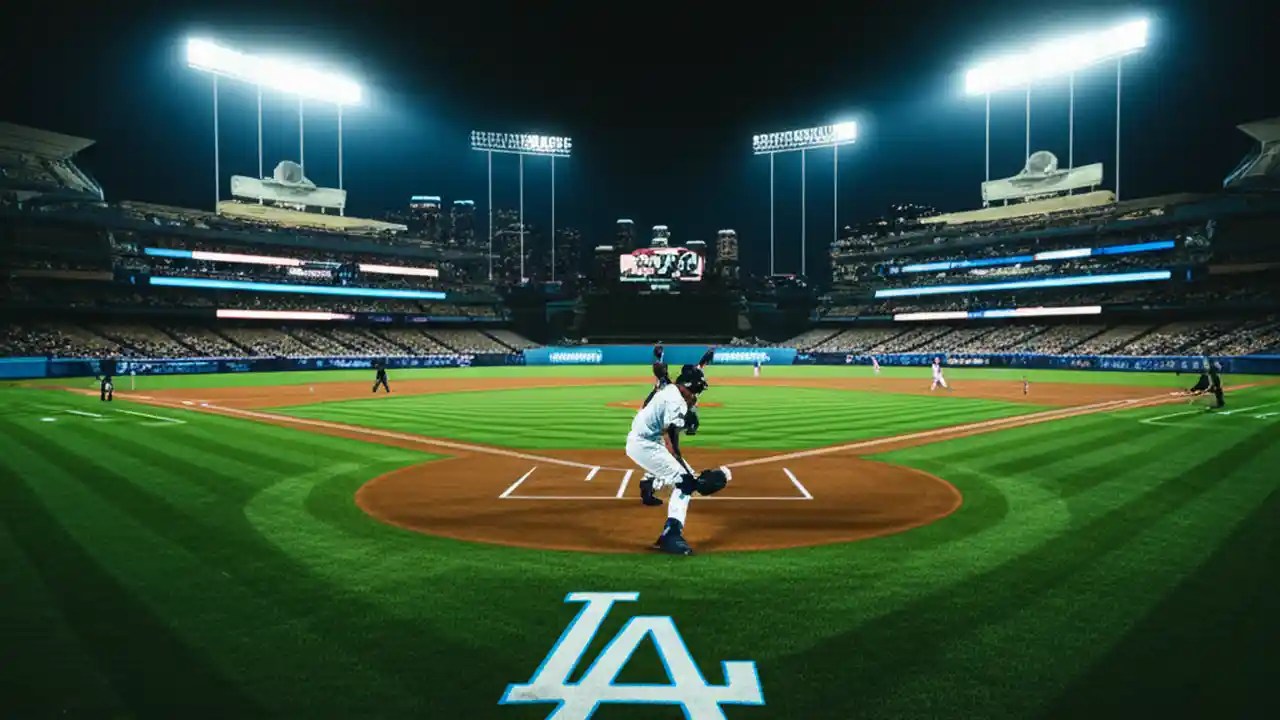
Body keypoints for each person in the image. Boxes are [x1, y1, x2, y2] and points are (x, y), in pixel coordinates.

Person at [626, 364, 730, 555]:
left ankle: (652, 489)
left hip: (650, 440)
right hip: (644, 445)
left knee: (686, 479)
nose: (696, 395)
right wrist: (684, 470)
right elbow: (670, 439)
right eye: (696, 390)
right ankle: (671, 536)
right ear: (687, 386)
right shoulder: (676, 401)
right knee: (684, 482)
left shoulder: (671, 389)